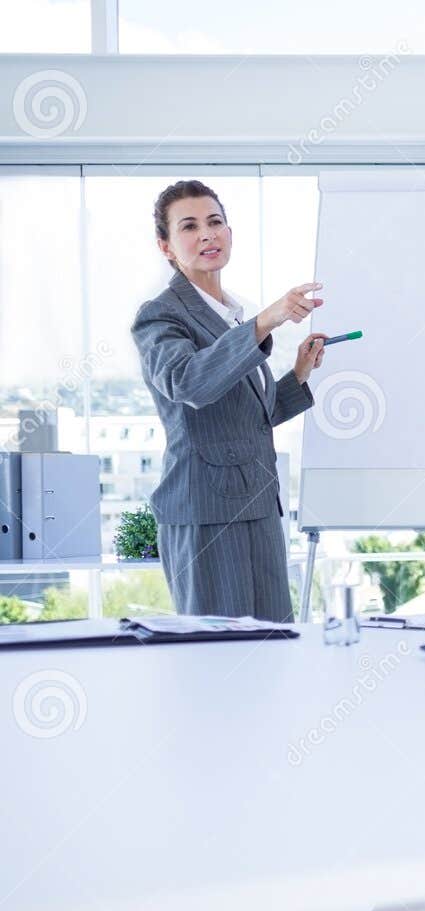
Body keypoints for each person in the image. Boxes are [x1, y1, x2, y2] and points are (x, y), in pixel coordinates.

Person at [131, 179, 331, 621]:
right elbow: (188, 383)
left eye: (215, 222)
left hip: (257, 504)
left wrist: (298, 373)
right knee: (218, 658)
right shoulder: (161, 314)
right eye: (189, 226)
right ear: (166, 246)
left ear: (230, 233)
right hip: (204, 513)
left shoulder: (231, 315)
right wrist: (264, 322)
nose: (207, 234)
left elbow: (249, 418)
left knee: (274, 647)